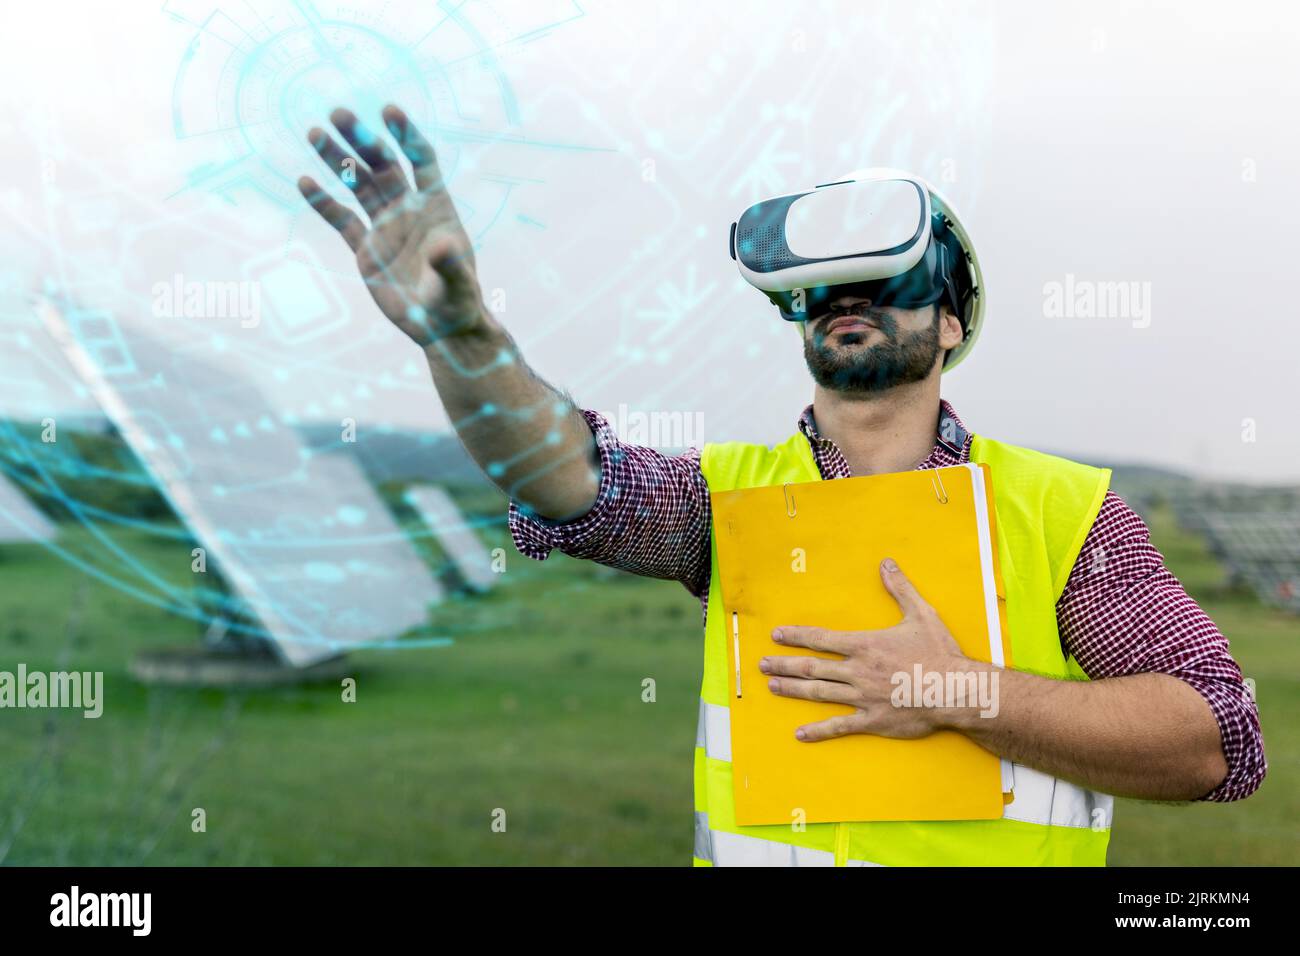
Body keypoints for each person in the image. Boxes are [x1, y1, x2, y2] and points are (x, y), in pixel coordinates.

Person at [298, 105, 1266, 867]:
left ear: (952, 324)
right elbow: (567, 477)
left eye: (891, 282)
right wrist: (465, 339)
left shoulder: (1061, 510)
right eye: (822, 289)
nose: (849, 299)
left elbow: (1217, 742)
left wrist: (959, 692)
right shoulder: (730, 501)